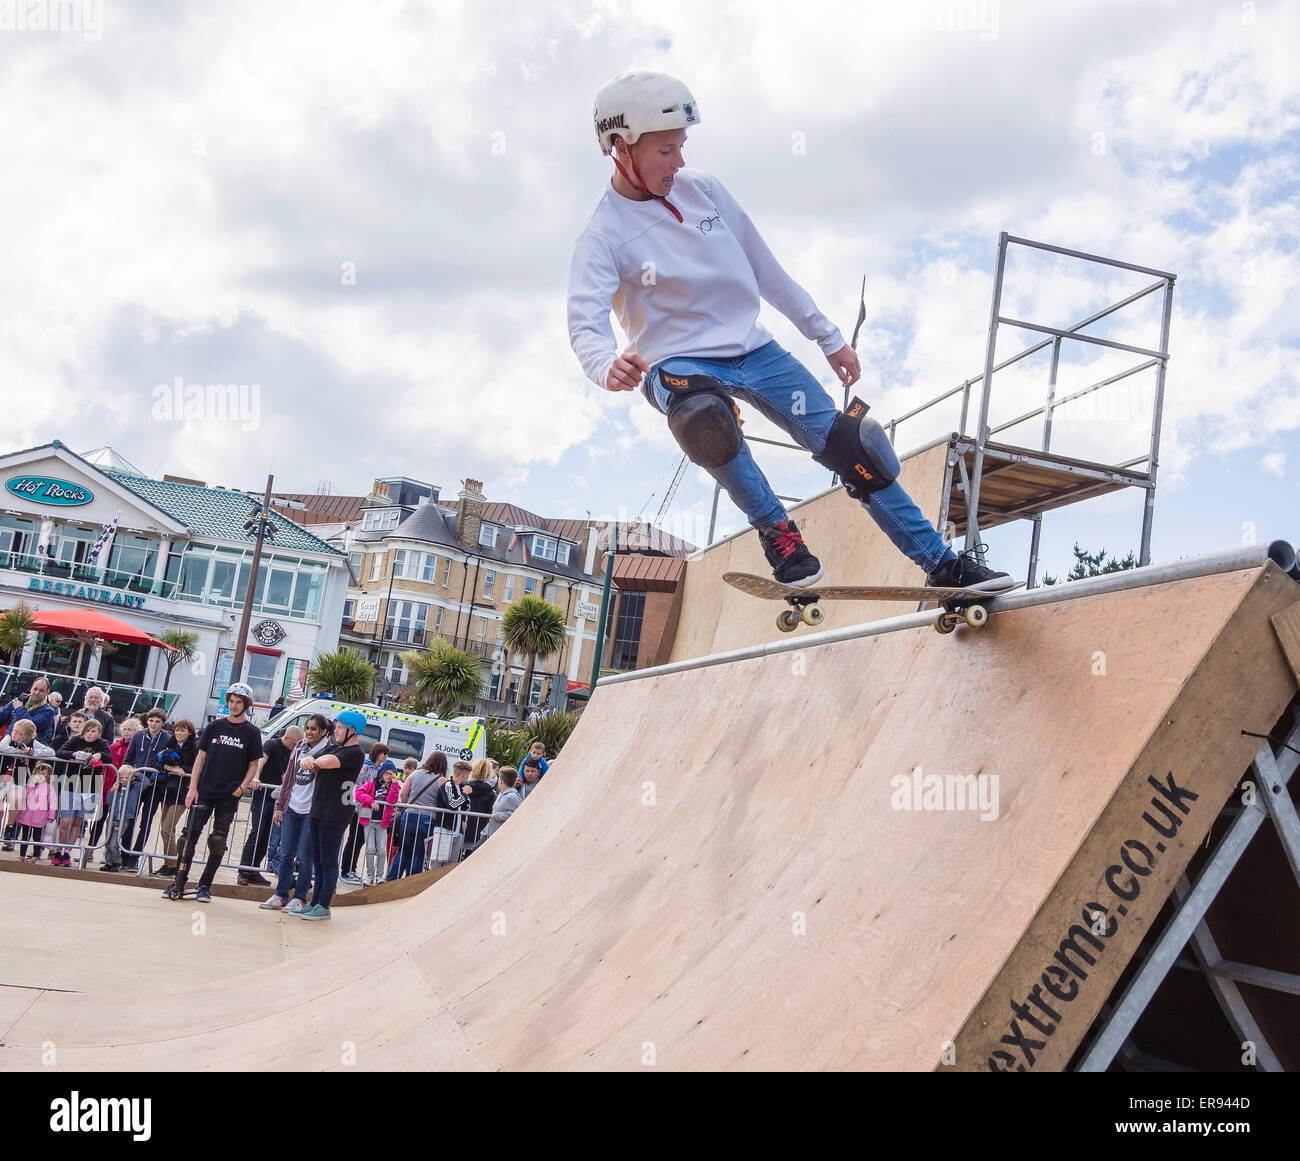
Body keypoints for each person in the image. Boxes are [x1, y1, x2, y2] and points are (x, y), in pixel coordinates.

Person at [567, 71, 1014, 593]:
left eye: (682, 147)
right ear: (620, 147)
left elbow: (766, 269)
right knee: (704, 419)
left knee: (855, 448)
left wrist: (827, 336)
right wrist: (605, 364)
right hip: (678, 364)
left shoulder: (704, 191)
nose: (680, 163)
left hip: (755, 352)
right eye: (667, 151)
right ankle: (781, 537)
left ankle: (944, 565)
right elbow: (585, 320)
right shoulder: (602, 235)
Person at [161, 683, 263, 904]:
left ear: (246, 705)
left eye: (238, 702)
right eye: (231, 701)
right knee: (187, 838)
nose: (234, 706)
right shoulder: (214, 727)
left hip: (229, 794)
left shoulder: (252, 733)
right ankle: (178, 880)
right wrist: (193, 787)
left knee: (217, 840)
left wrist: (241, 787)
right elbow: (200, 759)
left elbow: (254, 764)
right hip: (205, 790)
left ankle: (205, 885)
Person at [294, 709, 367, 921]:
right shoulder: (334, 747)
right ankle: (315, 901)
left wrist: (314, 762)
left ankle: (324, 904)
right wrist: (313, 761)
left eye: (341, 727)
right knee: (317, 859)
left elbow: (326, 761)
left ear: (352, 731)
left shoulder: (355, 753)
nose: (336, 730)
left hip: (335, 813)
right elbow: (314, 758)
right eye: (336, 726)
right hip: (318, 809)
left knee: (328, 860)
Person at [261, 714, 331, 913]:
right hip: (292, 807)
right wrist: (280, 805)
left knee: (304, 856)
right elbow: (289, 778)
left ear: (323, 731)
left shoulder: (327, 751)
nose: (309, 732)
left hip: (311, 811)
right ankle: (280, 894)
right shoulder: (299, 747)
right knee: (285, 854)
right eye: (307, 728)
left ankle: (300, 897)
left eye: (313, 729)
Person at [237, 726, 301, 887]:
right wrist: (256, 777)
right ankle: (243, 870)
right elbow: (261, 760)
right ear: (285, 738)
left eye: (296, 745)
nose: (294, 747)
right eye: (293, 744)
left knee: (266, 836)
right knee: (257, 832)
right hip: (262, 797)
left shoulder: (292, 752)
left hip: (276, 800)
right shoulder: (272, 745)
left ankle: (254, 869)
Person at [54, 716, 112, 867]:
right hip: (71, 783)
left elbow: (109, 758)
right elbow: (60, 752)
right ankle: (58, 850)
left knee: (77, 821)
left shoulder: (102, 744)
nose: (90, 734)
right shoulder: (75, 741)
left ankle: (67, 852)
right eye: (87, 730)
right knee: (65, 821)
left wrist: (100, 755)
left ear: (98, 733)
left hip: (89, 786)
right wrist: (73, 754)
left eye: (93, 731)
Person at [122, 707, 174, 869]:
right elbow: (129, 758)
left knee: (146, 821)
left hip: (155, 784)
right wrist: (128, 773)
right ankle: (124, 854)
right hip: (137, 782)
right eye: (151, 720)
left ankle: (135, 856)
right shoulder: (139, 735)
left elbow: (170, 760)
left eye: (157, 721)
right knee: (130, 818)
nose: (153, 724)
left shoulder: (167, 738)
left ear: (163, 723)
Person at [341, 742, 397, 885]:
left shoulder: (378, 769)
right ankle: (346, 869)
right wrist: (368, 801)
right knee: (354, 839)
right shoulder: (366, 767)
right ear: (379, 754)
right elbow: (358, 787)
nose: (386, 756)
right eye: (385, 753)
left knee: (361, 841)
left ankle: (352, 869)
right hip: (361, 810)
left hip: (370, 812)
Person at [385, 752, 447, 881]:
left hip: (409, 815)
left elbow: (403, 794)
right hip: (427, 818)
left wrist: (409, 805)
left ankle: (390, 881)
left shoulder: (415, 774)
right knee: (418, 854)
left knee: (403, 850)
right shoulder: (441, 780)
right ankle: (411, 883)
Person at [148, 718, 197, 876]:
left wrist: (180, 768)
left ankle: (173, 864)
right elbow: (155, 761)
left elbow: (197, 767)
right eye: (177, 729)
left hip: (183, 793)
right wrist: (170, 768)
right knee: (166, 829)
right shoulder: (170, 744)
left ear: (189, 732)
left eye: (183, 730)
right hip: (168, 790)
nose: (179, 733)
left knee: (167, 829)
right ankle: (169, 863)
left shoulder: (195, 746)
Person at [1, 719, 56, 850]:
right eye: (14, 731)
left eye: (19, 733)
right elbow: (2, 747)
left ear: (26, 736)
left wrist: (32, 752)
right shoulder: (8, 738)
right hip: (3, 777)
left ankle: (9, 827)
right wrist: (21, 752)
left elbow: (51, 752)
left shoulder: (33, 743)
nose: (15, 734)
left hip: (20, 779)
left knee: (16, 799)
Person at [353, 762, 400, 885]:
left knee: (381, 850)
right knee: (369, 849)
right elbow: (358, 793)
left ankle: (379, 876)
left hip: (382, 823)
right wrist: (370, 800)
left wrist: (394, 784)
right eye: (387, 773)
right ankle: (369, 876)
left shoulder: (394, 786)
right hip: (369, 820)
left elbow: (392, 800)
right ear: (381, 773)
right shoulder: (372, 783)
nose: (389, 776)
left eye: (392, 774)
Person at [100, 763, 144, 873]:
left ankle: (117, 862)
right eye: (121, 777)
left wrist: (137, 773)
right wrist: (112, 791)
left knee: (114, 843)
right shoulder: (117, 788)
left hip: (123, 819)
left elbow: (146, 782)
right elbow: (109, 801)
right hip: (112, 818)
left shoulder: (135, 787)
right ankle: (108, 862)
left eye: (127, 777)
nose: (124, 780)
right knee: (107, 842)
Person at [15, 760, 57, 861]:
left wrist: (51, 816)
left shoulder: (49, 787)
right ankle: (22, 855)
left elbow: (53, 802)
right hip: (27, 817)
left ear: (48, 776)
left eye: (43, 773)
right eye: (38, 773)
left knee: (37, 838)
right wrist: (32, 785)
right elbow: (25, 796)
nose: (40, 775)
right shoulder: (30, 784)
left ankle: (36, 855)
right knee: (25, 836)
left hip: (40, 818)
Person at [0, 677, 57, 746]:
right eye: (35, 689)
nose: (37, 692)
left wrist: (19, 708)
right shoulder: (19, 700)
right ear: (31, 688)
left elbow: (30, 725)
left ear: (47, 693)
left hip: (28, 749)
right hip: (8, 742)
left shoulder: (49, 711)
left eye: (41, 690)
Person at [462, 757, 496, 852]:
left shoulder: (465, 787)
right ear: (489, 772)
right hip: (479, 830)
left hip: (462, 827)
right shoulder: (490, 793)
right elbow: (491, 813)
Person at [481, 768, 522, 841]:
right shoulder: (501, 794)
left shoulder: (512, 796)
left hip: (500, 836)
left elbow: (519, 814)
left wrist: (499, 816)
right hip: (489, 833)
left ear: (501, 781)